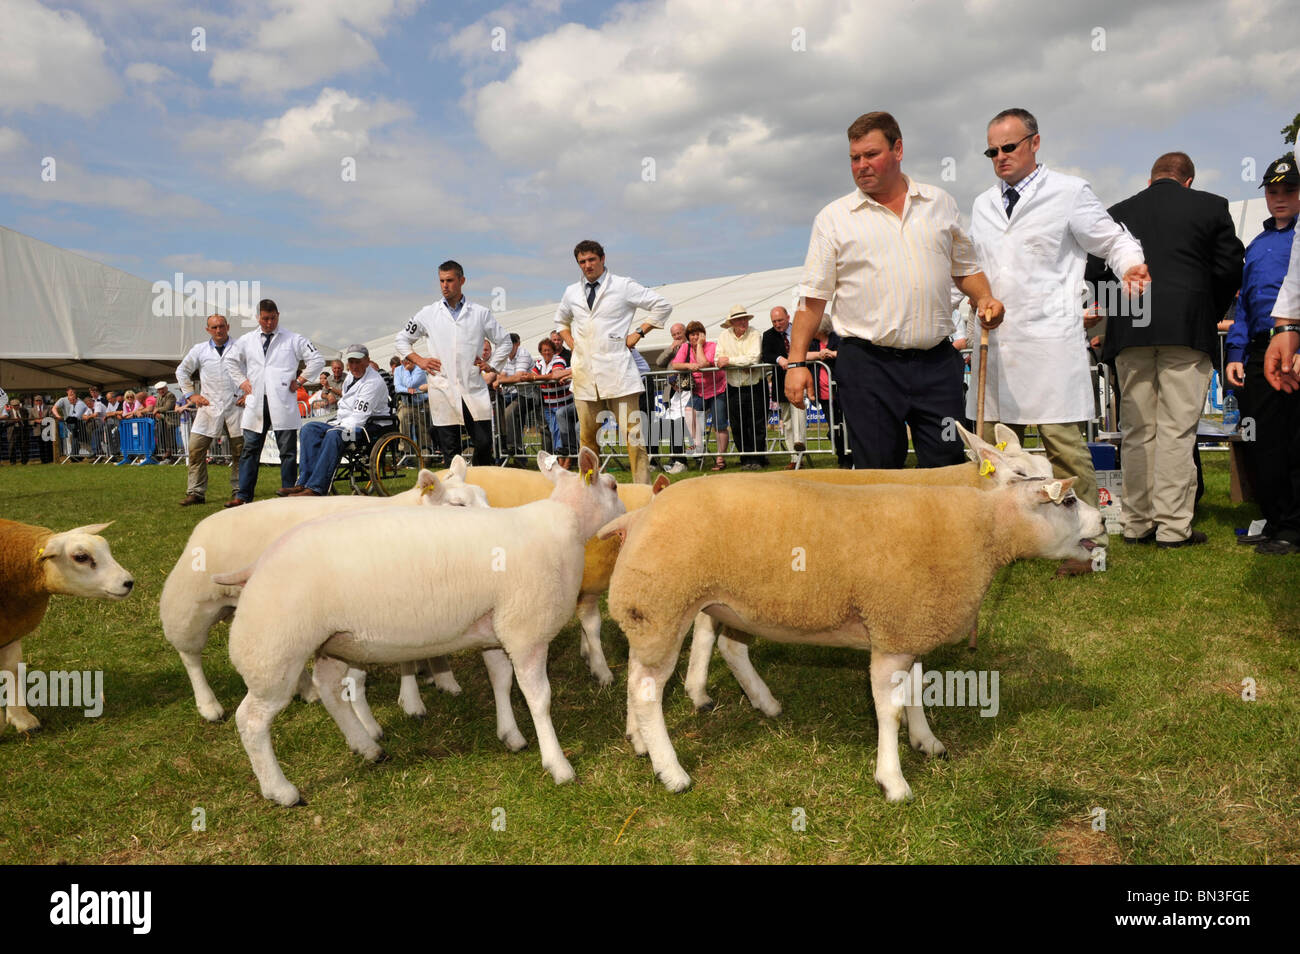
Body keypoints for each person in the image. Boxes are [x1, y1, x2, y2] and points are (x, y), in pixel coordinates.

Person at [965, 109, 1148, 546]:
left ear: (1035, 142)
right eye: (993, 150)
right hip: (995, 343)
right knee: (989, 454)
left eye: (1009, 147)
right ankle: (1000, 539)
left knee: (1063, 450)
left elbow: (1112, 239)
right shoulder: (982, 204)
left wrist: (1132, 266)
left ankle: (1088, 541)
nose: (1001, 156)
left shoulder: (1068, 193)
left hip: (1048, 344)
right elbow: (972, 267)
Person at [785, 111, 1005, 472]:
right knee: (878, 474)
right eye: (854, 158)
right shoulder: (834, 217)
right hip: (868, 367)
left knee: (949, 467)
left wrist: (984, 298)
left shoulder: (940, 203)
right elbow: (812, 299)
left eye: (871, 154)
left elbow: (965, 269)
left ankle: (941, 532)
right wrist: (796, 363)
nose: (861, 165)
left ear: (898, 148)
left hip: (937, 364)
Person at [1087, 151, 1243, 548]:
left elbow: (1095, 273)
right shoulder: (1210, 206)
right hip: (1187, 329)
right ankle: (1174, 528)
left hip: (1131, 332)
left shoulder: (1119, 211)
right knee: (1176, 429)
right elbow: (1228, 268)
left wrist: (1120, 315)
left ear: (1151, 178)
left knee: (1137, 430)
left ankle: (1138, 523)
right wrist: (1207, 308)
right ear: (1188, 180)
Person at [1226, 155, 1300, 554]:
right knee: (1262, 440)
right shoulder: (1255, 244)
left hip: (1295, 347)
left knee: (1294, 441)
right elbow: (1246, 306)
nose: (1280, 198)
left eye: (1289, 190)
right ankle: (1275, 519)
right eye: (1273, 191)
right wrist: (1235, 352)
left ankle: (1293, 526)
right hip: (1259, 353)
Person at [555, 239, 672, 484]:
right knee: (587, 438)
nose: (587, 265)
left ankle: (642, 488)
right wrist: (573, 344)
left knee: (634, 435)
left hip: (619, 373)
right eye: (582, 262)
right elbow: (561, 322)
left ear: (602, 259)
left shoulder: (623, 285)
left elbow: (662, 306)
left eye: (591, 260)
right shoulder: (571, 292)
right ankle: (588, 487)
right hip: (585, 376)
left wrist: (638, 333)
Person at [396, 260, 511, 467]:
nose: (444, 286)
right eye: (441, 281)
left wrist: (491, 364)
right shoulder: (427, 313)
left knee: (484, 443)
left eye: (449, 280)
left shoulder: (480, 313)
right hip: (443, 387)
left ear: (462, 280)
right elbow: (401, 339)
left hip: (472, 387)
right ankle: (453, 494)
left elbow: (505, 341)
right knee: (451, 450)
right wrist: (420, 360)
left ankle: (477, 482)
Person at [222, 298, 324, 507]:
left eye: (273, 318)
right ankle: (243, 495)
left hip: (282, 401)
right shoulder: (247, 340)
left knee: (287, 452)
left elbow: (317, 360)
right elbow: (230, 360)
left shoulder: (293, 339)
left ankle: (288, 494)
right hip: (256, 402)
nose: (269, 322)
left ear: (278, 316)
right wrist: (242, 382)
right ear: (258, 317)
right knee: (250, 450)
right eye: (265, 318)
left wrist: (301, 380)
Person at [289, 345, 391, 496]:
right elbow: (345, 405)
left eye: (358, 361)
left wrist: (333, 427)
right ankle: (303, 482)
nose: (354, 366)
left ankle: (316, 488)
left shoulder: (373, 382)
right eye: (351, 362)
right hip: (343, 422)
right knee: (308, 430)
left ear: (367, 361)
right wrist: (333, 425)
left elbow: (359, 418)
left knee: (334, 435)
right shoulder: (350, 377)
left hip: (366, 429)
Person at [176, 314, 246, 506]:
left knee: (240, 452)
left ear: (228, 327)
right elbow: (181, 371)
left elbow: (256, 370)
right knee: (196, 449)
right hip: (209, 405)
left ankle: (240, 491)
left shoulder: (241, 347)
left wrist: (250, 393)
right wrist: (191, 395)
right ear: (207, 329)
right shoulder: (199, 350)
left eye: (221, 326)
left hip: (236, 406)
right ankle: (196, 492)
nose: (218, 330)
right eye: (214, 327)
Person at [672, 320, 729, 470]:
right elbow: (675, 364)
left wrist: (698, 346)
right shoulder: (685, 347)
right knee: (689, 411)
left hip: (717, 389)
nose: (695, 337)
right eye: (692, 335)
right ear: (688, 336)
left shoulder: (712, 346)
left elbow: (704, 363)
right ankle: (698, 444)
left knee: (719, 425)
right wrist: (689, 365)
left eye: (698, 334)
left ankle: (720, 458)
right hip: (698, 391)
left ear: (703, 334)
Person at [716, 305, 768, 470]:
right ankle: (746, 458)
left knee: (757, 423)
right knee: (738, 425)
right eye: (739, 319)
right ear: (731, 322)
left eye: (745, 318)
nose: (743, 322)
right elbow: (717, 360)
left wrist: (730, 361)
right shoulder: (723, 336)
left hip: (755, 385)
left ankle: (758, 458)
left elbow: (754, 358)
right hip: (734, 386)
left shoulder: (755, 333)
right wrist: (742, 363)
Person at [762, 306, 805, 469]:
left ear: (788, 317)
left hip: (802, 378)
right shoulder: (768, 335)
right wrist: (779, 359)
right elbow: (766, 354)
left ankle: (800, 447)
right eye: (774, 321)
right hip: (783, 383)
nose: (777, 324)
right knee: (787, 420)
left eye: (780, 320)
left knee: (800, 416)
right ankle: (794, 457)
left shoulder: (800, 330)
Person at [529, 337, 578, 467]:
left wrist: (535, 378)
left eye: (549, 350)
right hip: (548, 404)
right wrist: (532, 376)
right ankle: (560, 458)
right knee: (554, 431)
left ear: (553, 350)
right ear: (540, 352)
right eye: (544, 350)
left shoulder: (558, 360)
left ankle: (564, 460)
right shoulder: (539, 363)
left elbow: (555, 375)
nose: (547, 352)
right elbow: (530, 375)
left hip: (562, 404)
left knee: (561, 431)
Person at [491, 333, 535, 464]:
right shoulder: (504, 356)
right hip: (510, 394)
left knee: (509, 413)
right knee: (497, 416)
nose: (509, 348)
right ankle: (502, 452)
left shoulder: (523, 354)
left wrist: (502, 380)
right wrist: (502, 380)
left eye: (511, 345)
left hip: (528, 395)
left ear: (518, 344)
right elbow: (501, 376)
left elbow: (519, 377)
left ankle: (515, 449)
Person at [653, 322, 690, 474]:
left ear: (685, 333)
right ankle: (669, 459)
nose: (677, 337)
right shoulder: (671, 350)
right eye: (674, 335)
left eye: (679, 333)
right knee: (667, 423)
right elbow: (659, 362)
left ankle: (681, 459)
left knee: (680, 423)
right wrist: (670, 349)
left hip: (687, 391)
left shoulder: (690, 348)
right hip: (671, 393)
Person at [392, 353, 428, 443]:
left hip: (421, 403)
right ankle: (406, 451)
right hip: (406, 404)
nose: (408, 362)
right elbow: (397, 387)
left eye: (410, 360)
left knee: (423, 428)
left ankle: (425, 450)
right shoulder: (397, 370)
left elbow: (410, 384)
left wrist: (406, 370)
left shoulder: (419, 368)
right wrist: (407, 390)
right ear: (401, 361)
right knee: (403, 423)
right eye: (405, 361)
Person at [52, 387, 84, 459]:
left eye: (73, 391)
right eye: (70, 391)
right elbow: (54, 408)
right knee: (75, 434)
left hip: (80, 421)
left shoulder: (79, 400)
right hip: (70, 422)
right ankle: (74, 454)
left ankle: (76, 454)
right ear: (67, 392)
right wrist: (58, 416)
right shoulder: (63, 400)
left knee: (77, 437)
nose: (72, 393)